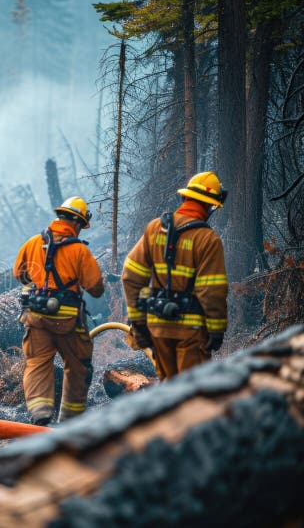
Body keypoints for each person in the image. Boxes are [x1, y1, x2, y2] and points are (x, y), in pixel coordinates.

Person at [121, 171, 228, 380]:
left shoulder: (154, 229)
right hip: (191, 330)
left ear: (185, 197)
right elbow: (212, 291)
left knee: (169, 388)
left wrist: (139, 322)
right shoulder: (208, 239)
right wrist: (216, 330)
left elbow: (130, 276)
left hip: (157, 325)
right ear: (209, 205)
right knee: (191, 391)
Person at [13, 196, 104, 425]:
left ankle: (40, 414)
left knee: (37, 363)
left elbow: (19, 273)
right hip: (68, 321)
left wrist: (37, 280)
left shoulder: (33, 243)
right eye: (81, 226)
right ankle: (70, 420)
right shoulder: (78, 251)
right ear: (77, 223)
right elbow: (95, 288)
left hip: (35, 318)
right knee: (78, 365)